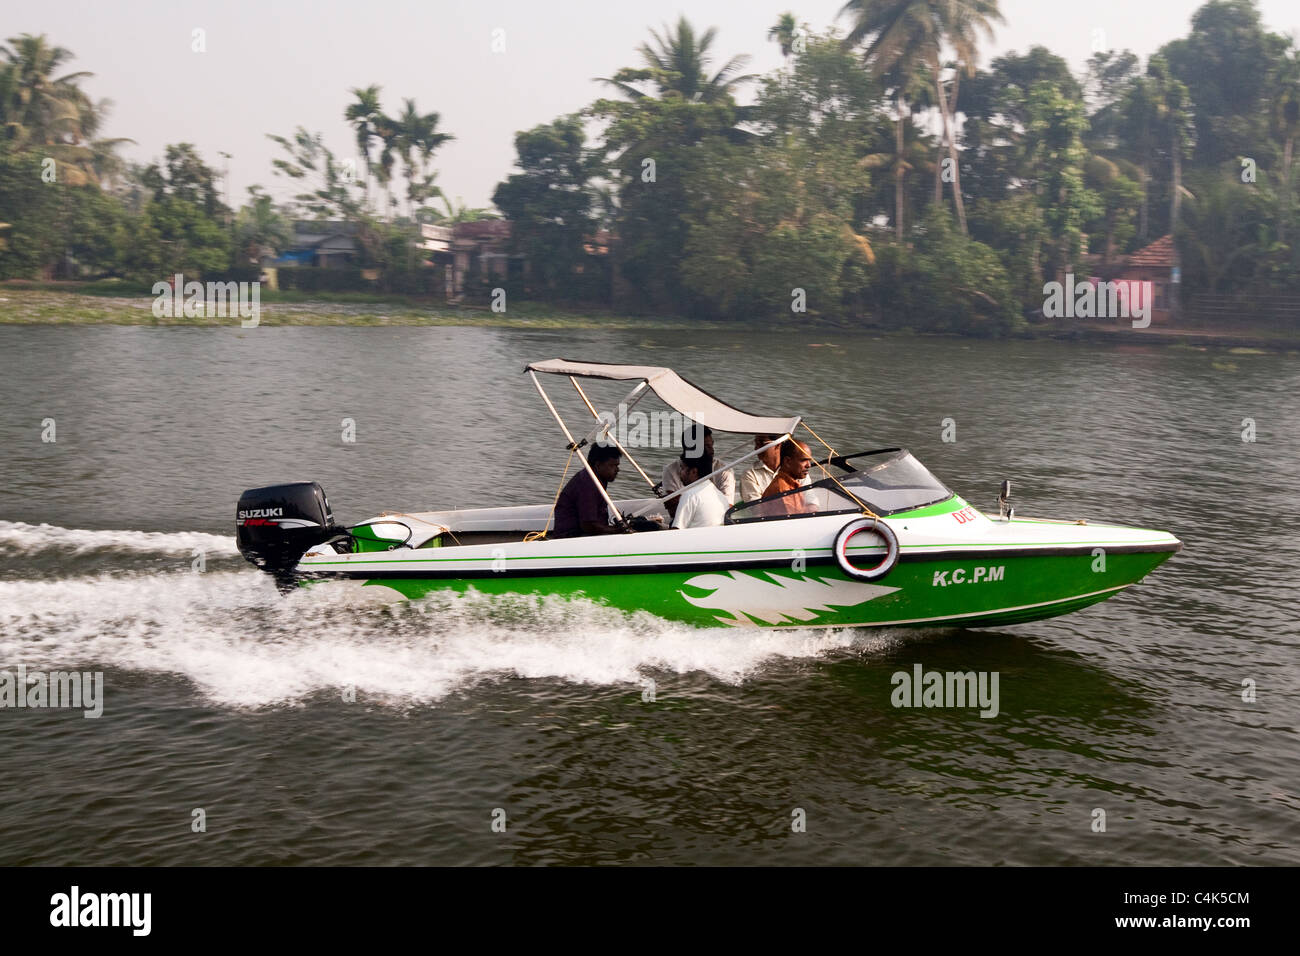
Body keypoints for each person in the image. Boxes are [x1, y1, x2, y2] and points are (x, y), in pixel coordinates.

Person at [551, 444, 628, 537]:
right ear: (598, 465)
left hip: (585, 532)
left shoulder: (599, 477)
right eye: (612, 465)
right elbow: (588, 525)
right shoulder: (587, 483)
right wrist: (616, 530)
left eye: (617, 465)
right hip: (571, 536)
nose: (617, 469)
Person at [660, 425, 735, 512]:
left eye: (712, 444)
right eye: (706, 446)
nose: (712, 449)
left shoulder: (724, 471)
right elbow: (673, 510)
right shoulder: (670, 470)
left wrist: (683, 502)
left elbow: (727, 508)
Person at [671, 454, 729, 529]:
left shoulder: (690, 495)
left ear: (694, 472)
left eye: (682, 468)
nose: (680, 473)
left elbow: (676, 531)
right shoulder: (719, 495)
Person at [761, 439, 814, 516]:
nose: (808, 465)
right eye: (803, 460)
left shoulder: (792, 484)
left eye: (809, 461)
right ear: (787, 461)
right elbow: (794, 521)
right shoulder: (783, 490)